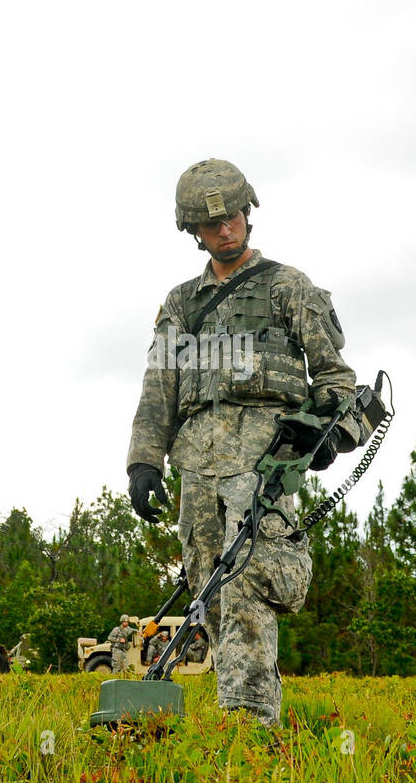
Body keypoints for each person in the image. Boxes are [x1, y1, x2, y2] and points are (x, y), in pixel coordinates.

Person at [127, 158, 361, 727]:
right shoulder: (181, 303)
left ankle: (250, 725)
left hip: (263, 458)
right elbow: (159, 386)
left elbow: (337, 381)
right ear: (194, 232)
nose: (224, 230)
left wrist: (327, 436)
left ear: (247, 213)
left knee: (251, 581)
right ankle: (240, 716)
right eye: (211, 225)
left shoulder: (289, 288)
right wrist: (143, 460)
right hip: (197, 467)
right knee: (207, 588)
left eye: (231, 217)